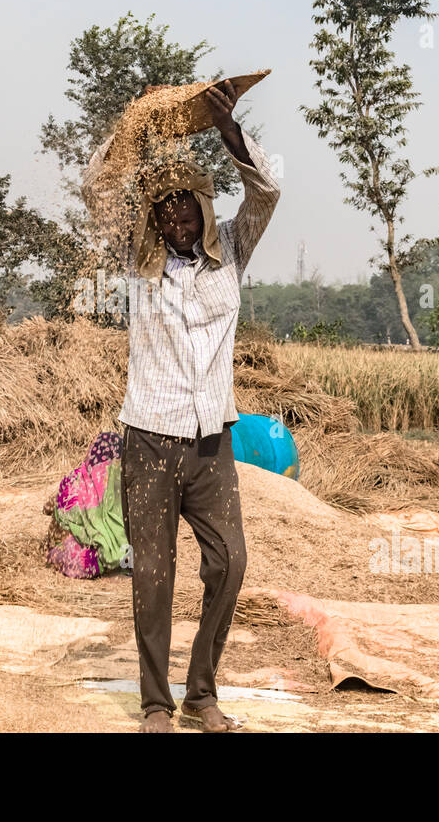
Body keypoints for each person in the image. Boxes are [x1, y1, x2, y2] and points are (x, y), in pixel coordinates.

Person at [82, 79, 279, 732]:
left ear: (202, 204)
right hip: (149, 439)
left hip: (211, 442)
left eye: (184, 207)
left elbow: (268, 191)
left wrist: (228, 129)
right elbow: (96, 189)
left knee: (230, 561)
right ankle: (156, 704)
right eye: (163, 211)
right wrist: (131, 133)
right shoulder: (139, 264)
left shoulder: (232, 251)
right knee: (155, 576)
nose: (176, 220)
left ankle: (202, 692)